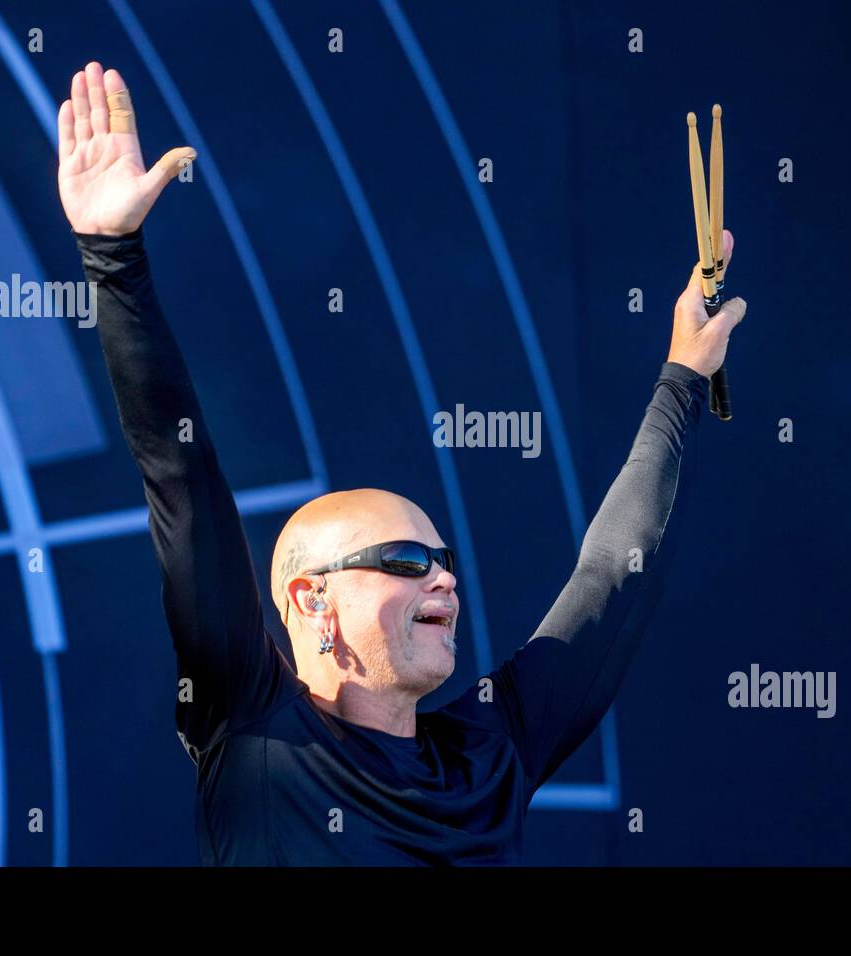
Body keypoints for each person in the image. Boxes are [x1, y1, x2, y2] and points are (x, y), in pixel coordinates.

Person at [58, 61, 746, 864]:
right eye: (408, 561)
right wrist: (113, 258)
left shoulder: (491, 753)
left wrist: (682, 377)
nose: (446, 581)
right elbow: (179, 474)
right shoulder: (254, 728)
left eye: (444, 561)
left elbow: (613, 579)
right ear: (310, 599)